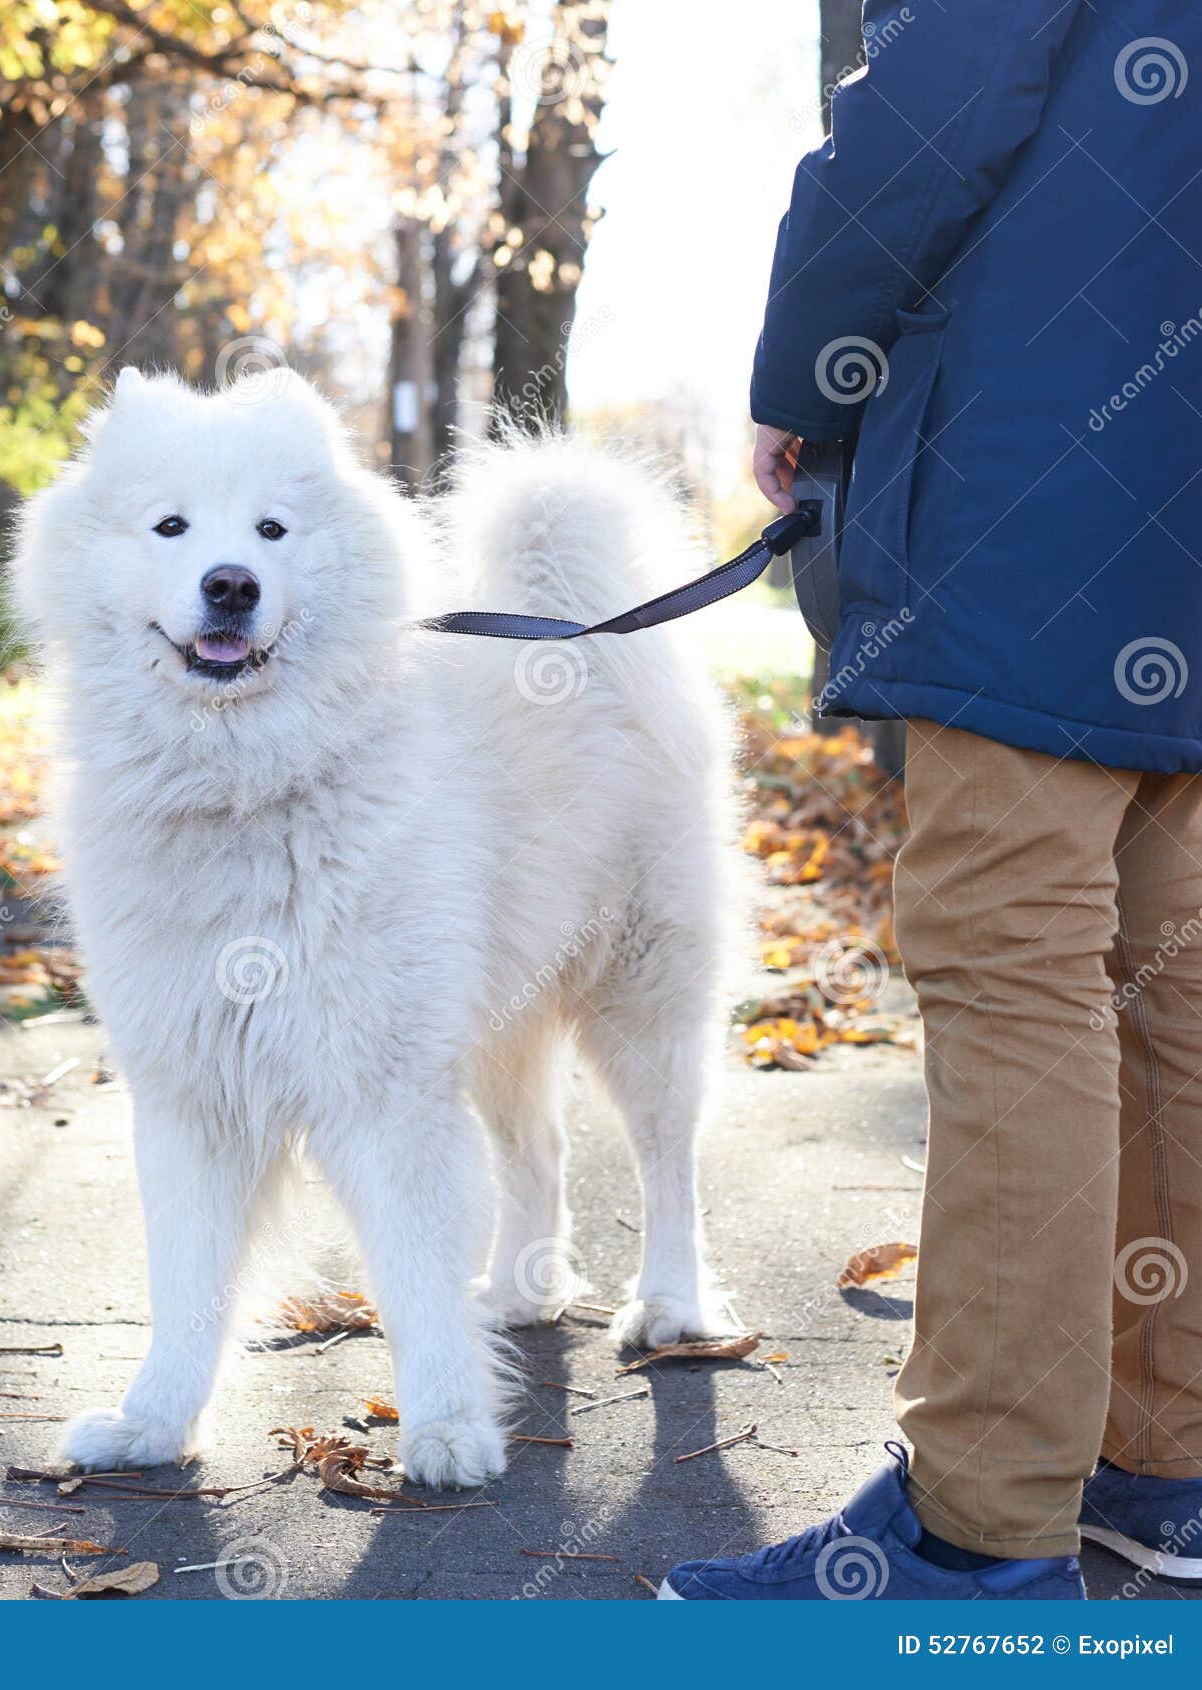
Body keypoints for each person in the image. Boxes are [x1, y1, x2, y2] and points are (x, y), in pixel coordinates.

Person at [665, 0, 1202, 1600]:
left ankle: (978, 1520)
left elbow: (938, 97)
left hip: (1053, 459)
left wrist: (806, 371)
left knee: (1013, 957)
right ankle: (1168, 1464)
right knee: (1171, 979)